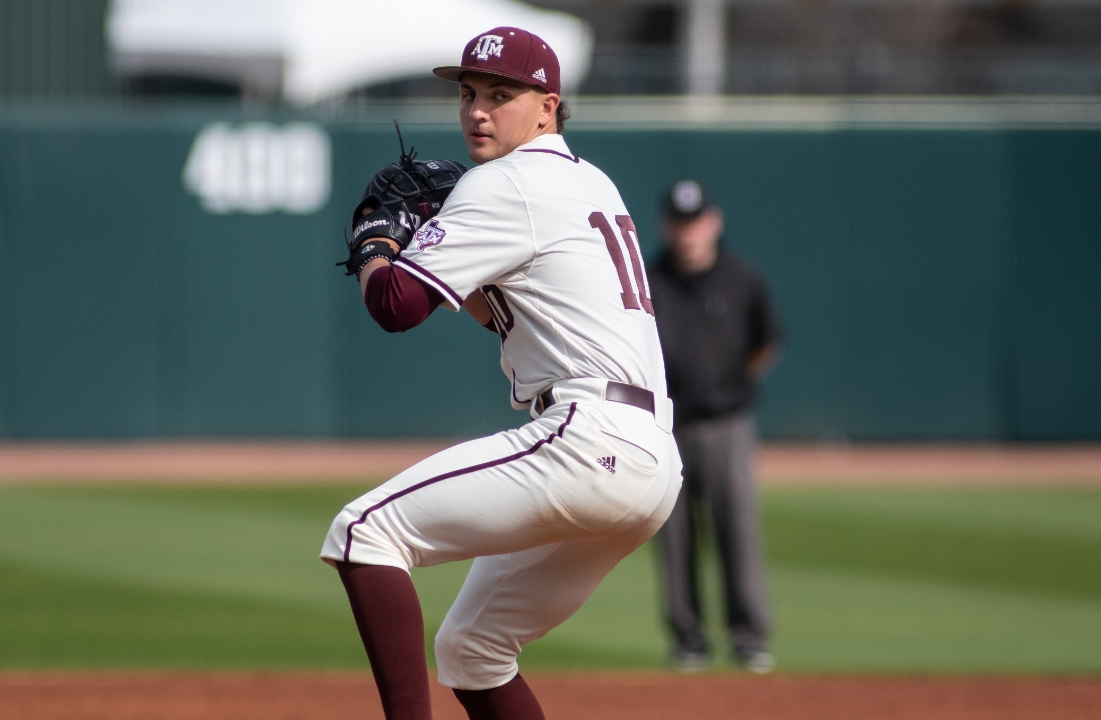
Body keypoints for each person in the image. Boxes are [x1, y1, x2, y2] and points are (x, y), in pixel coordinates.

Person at [320, 27, 683, 720]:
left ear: (547, 106)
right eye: (467, 94)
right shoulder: (589, 180)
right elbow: (506, 313)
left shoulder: (504, 184)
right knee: (473, 649)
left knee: (364, 530)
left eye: (499, 95)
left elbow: (395, 306)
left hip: (586, 436)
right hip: (652, 460)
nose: (477, 110)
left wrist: (374, 243)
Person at [647, 180, 780, 674]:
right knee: (674, 538)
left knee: (737, 533)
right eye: (680, 223)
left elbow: (767, 342)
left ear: (713, 222)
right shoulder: (648, 280)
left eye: (696, 221)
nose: (688, 232)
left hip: (727, 422)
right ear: (667, 226)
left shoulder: (741, 279)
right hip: (668, 427)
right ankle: (689, 641)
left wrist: (730, 381)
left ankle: (748, 638)